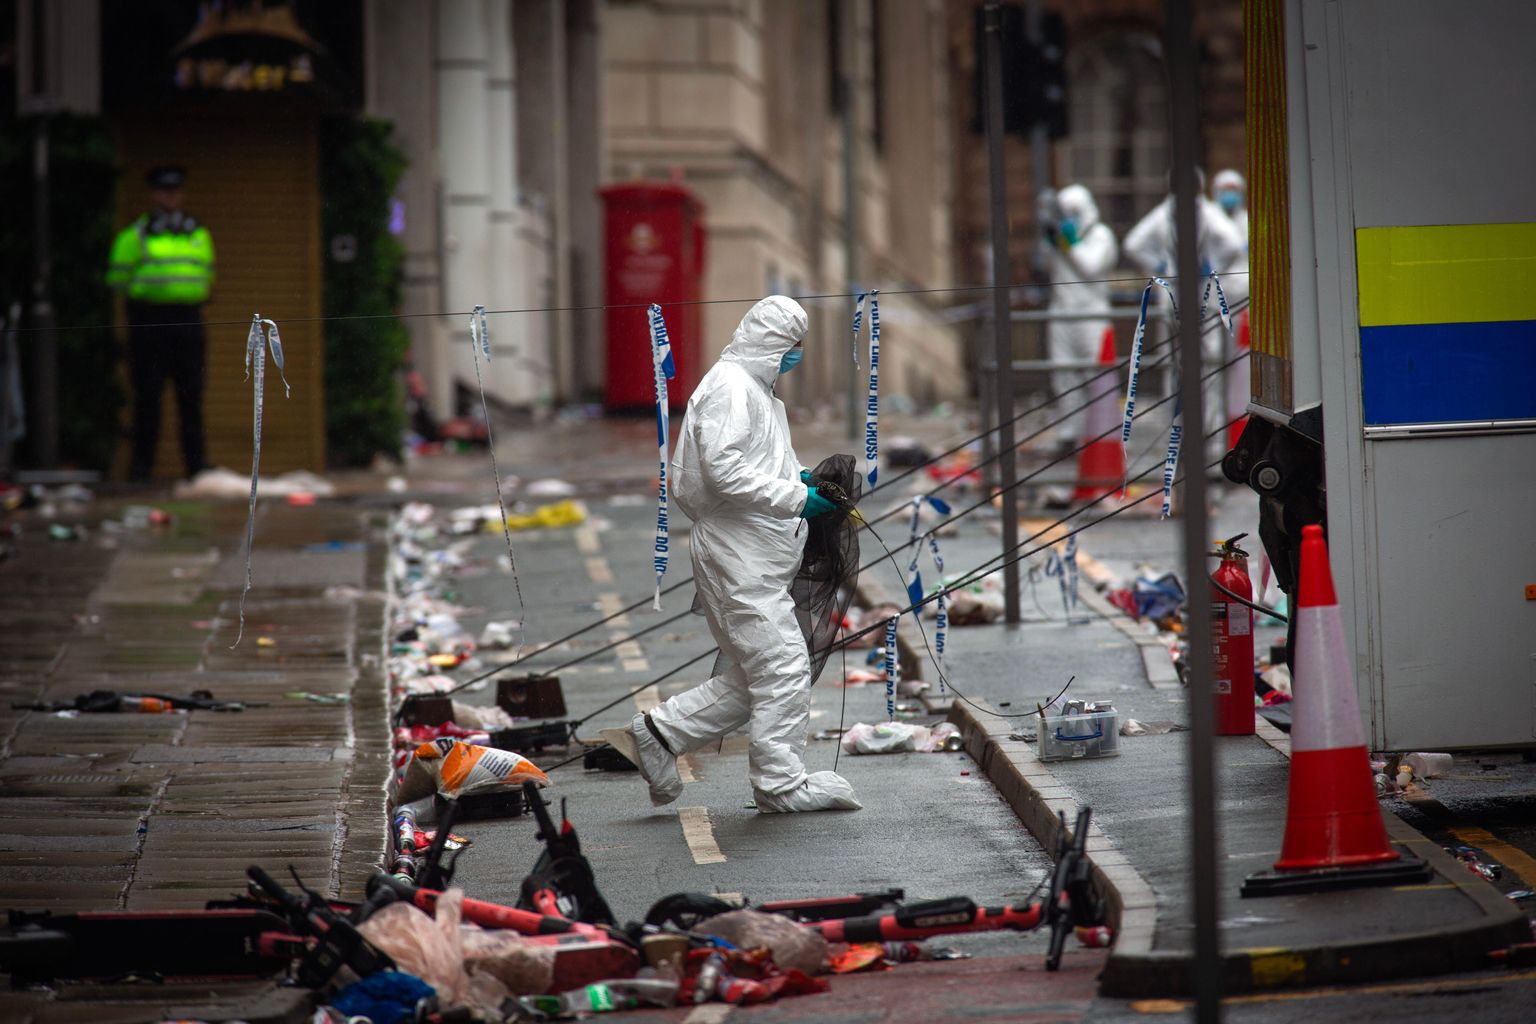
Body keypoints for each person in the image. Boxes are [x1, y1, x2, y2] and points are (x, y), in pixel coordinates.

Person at [603, 295, 862, 814]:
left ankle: (658, 733)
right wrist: (795, 498)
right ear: (774, 343)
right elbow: (722, 471)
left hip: (755, 559)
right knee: (784, 668)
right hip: (737, 558)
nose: (797, 355)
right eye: (794, 345)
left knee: (754, 679)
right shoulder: (731, 388)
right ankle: (779, 784)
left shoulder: (756, 391)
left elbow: (754, 462)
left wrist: (799, 478)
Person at [107, 165, 216, 481]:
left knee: (192, 398)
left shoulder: (198, 234)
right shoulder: (135, 236)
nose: (171, 196)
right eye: (165, 191)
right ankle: (141, 470)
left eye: (176, 190)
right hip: (149, 321)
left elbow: (207, 277)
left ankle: (196, 468)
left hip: (189, 321)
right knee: (147, 398)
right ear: (154, 195)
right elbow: (117, 281)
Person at [1042, 184, 1119, 446]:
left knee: (1095, 373)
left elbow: (1090, 266)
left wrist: (1070, 242)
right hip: (1062, 312)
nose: (1069, 218)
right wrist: (1050, 241)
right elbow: (1041, 265)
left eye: (1073, 212)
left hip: (1091, 314)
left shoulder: (1101, 236)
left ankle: (1103, 428)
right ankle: (1070, 432)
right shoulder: (1061, 241)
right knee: (1063, 373)